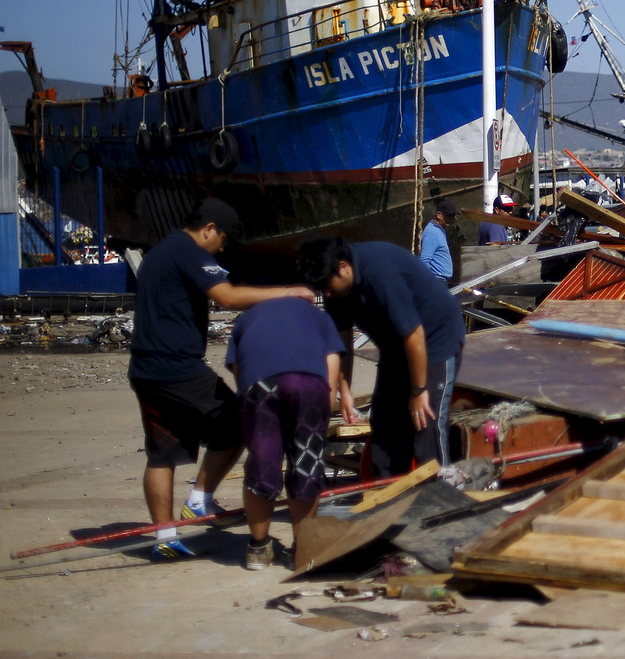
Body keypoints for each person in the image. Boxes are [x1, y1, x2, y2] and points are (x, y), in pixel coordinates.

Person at [128, 197, 317, 560]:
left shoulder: (160, 252)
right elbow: (227, 297)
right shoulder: (187, 251)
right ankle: (199, 500)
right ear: (209, 229)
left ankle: (165, 538)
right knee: (241, 422)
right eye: (223, 240)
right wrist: (289, 291)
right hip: (178, 368)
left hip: (146, 369)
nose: (222, 248)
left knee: (161, 452)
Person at [298, 237, 466, 477]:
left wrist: (419, 391)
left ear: (343, 267)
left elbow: (414, 334)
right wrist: (345, 391)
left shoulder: (381, 275)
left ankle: (435, 490)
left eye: (327, 287)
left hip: (434, 339)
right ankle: (386, 489)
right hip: (394, 345)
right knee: (386, 423)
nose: (327, 294)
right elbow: (341, 339)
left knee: (424, 421)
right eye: (321, 290)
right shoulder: (334, 288)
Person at [225, 296, 345, 570]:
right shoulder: (318, 316)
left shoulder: (248, 317)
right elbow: (332, 365)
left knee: (262, 460)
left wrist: (250, 404)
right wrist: (322, 413)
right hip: (307, 383)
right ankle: (302, 550)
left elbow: (238, 369)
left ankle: (258, 549)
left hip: (258, 384)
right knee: (306, 464)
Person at [419, 200, 457, 280]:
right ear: (439, 215)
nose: (453, 219)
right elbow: (424, 260)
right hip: (436, 279)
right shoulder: (432, 232)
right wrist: (431, 281)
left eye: (454, 216)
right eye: (449, 216)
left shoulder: (439, 231)